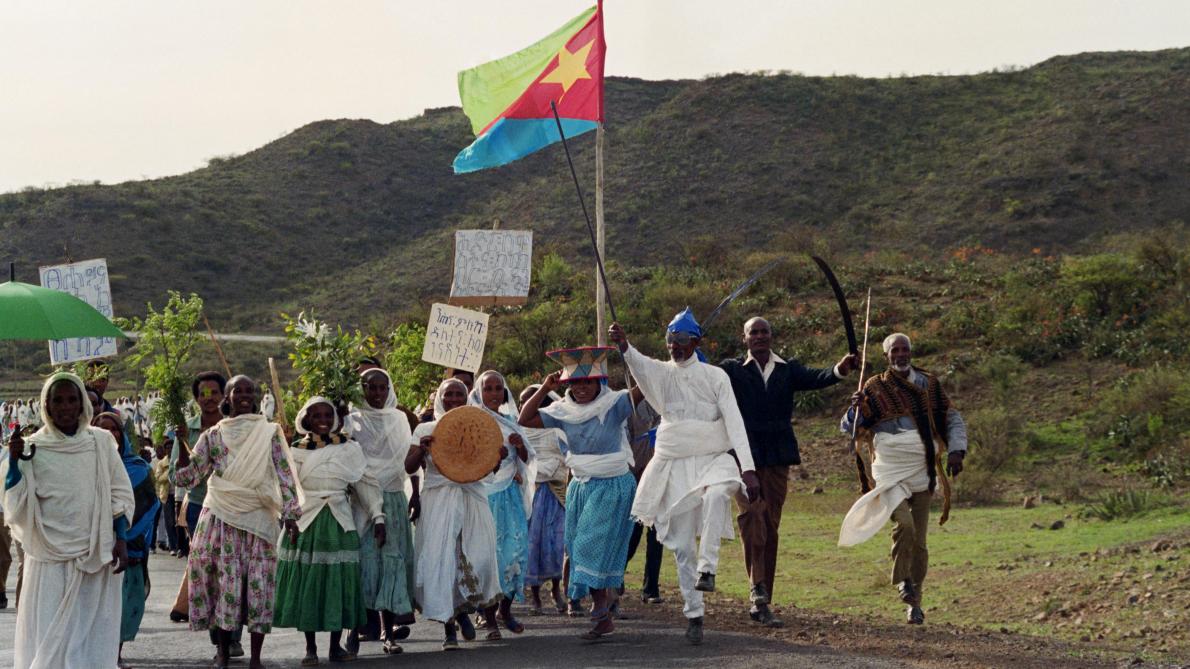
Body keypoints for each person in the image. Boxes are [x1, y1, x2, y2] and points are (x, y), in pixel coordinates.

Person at [608, 311, 761, 645]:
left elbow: (734, 420)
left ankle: (709, 569)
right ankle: (694, 614)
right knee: (681, 548)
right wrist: (625, 346)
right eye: (670, 340)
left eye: (680, 340)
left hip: (713, 457)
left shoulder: (716, 376)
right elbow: (641, 365)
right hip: (674, 465)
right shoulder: (664, 373)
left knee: (718, 494)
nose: (674, 346)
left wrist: (748, 468)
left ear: (696, 341)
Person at [719, 316, 857, 626]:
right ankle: (757, 589)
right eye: (753, 332)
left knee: (770, 524)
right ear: (744, 338)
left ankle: (763, 598)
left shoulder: (787, 368)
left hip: (778, 456)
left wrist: (841, 368)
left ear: (771, 335)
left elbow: (818, 377)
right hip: (744, 458)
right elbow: (705, 380)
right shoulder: (731, 370)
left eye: (764, 331)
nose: (759, 336)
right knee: (752, 517)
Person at [2, 372, 134, 669]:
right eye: (58, 400)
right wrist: (13, 462)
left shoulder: (101, 443)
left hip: (94, 554)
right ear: (46, 406)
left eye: (72, 399)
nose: (65, 407)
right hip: (48, 558)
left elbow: (119, 493)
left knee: (87, 636)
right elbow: (15, 502)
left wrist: (121, 539)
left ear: (82, 403)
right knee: (50, 635)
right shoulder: (31, 448)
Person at [839, 333, 967, 625]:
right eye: (894, 350)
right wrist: (854, 408)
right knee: (905, 525)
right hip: (890, 471)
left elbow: (952, 417)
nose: (900, 354)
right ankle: (902, 580)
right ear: (886, 356)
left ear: (911, 352)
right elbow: (850, 428)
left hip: (922, 470)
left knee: (920, 544)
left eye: (904, 349)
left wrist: (957, 451)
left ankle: (915, 601)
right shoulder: (873, 387)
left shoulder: (929, 384)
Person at [174, 375, 300, 669]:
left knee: (259, 587)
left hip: (259, 518)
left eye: (249, 390)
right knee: (224, 586)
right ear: (227, 398)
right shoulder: (212, 435)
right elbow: (190, 477)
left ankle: (256, 658)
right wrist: (180, 444)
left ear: (256, 397)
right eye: (237, 390)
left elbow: (284, 475)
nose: (244, 395)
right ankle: (222, 653)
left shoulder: (270, 432)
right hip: (220, 517)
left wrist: (292, 515)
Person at [519, 347, 643, 641]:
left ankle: (601, 605)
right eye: (575, 382)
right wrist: (545, 388)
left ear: (599, 383)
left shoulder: (614, 404)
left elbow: (645, 388)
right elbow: (525, 418)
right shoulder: (561, 412)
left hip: (612, 484)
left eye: (588, 382)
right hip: (580, 485)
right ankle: (603, 613)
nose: (582, 388)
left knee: (591, 544)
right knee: (577, 548)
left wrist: (630, 353)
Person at [275, 397, 385, 664]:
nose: (323, 420)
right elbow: (286, 487)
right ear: (306, 420)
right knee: (309, 584)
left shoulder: (349, 448)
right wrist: (288, 516)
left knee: (339, 583)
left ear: (336, 418)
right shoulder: (296, 450)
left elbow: (365, 483)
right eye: (317, 416)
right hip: (307, 521)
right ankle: (310, 648)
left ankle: (335, 646)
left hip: (339, 521)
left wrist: (378, 516)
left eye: (328, 415)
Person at [407, 378, 499, 650]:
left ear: (467, 397)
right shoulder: (425, 429)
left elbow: (486, 468)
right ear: (440, 398)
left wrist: (497, 457)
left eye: (460, 394)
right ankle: (449, 627)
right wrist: (422, 449)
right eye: (449, 394)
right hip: (439, 500)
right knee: (443, 559)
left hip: (472, 497)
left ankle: (464, 610)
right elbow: (408, 466)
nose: (454, 399)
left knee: (479, 556)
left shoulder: (478, 426)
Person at [343, 369, 419, 655]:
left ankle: (388, 632)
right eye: (370, 387)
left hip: (394, 497)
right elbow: (344, 457)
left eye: (382, 387)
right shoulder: (351, 419)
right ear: (361, 389)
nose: (376, 393)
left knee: (391, 563)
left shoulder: (399, 419)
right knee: (363, 563)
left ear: (389, 389)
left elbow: (407, 459)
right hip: (362, 499)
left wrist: (416, 493)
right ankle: (354, 628)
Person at [469, 370, 535, 638]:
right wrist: (493, 459)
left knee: (515, 553)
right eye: (488, 388)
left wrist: (520, 447)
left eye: (498, 388)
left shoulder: (510, 422)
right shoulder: (473, 423)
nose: (494, 393)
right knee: (488, 557)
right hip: (484, 497)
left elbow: (527, 459)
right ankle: (490, 619)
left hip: (509, 495)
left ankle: (504, 610)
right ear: (479, 392)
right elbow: (468, 463)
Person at [94, 410, 161, 668]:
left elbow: (148, 505)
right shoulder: (84, 466)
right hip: (92, 547)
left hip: (129, 548)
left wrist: (124, 534)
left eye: (114, 429)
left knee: (123, 604)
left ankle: (115, 654)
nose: (109, 434)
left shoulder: (138, 468)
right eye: (102, 429)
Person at [517, 384, 568, 616]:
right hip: (530, 496)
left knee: (557, 545)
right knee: (533, 545)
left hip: (556, 496)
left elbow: (564, 460)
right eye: (522, 402)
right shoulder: (518, 432)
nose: (524, 406)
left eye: (530, 401)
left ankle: (556, 590)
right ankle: (535, 596)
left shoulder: (557, 430)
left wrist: (539, 470)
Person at [623, 398, 665, 604]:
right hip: (635, 477)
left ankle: (651, 588)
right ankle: (616, 577)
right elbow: (624, 443)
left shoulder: (665, 403)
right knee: (632, 533)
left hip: (660, 478)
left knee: (657, 535)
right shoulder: (630, 406)